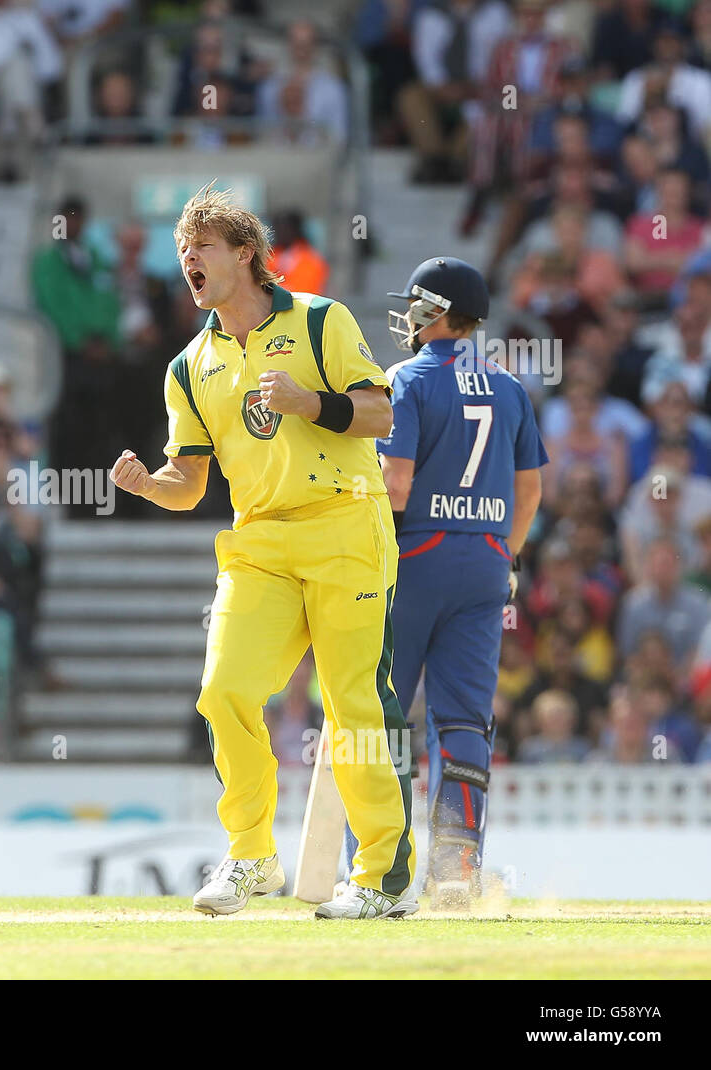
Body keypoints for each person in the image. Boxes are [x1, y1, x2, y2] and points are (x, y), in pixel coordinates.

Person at [109, 184, 415, 920]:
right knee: (224, 692)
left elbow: (380, 412)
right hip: (260, 541)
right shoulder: (188, 366)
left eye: (203, 246)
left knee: (352, 705)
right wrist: (150, 485)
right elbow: (189, 482)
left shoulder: (319, 320)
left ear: (246, 254)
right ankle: (250, 856)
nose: (189, 258)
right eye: (183, 250)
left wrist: (311, 403)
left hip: (345, 522)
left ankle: (383, 878)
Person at [376, 256, 547, 910]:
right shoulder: (509, 388)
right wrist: (507, 555)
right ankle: (457, 866)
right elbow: (529, 490)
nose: (410, 315)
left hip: (413, 556)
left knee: (384, 713)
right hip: (483, 563)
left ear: (439, 310)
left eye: (418, 303)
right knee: (464, 720)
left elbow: (396, 482)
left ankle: (383, 868)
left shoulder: (408, 379)